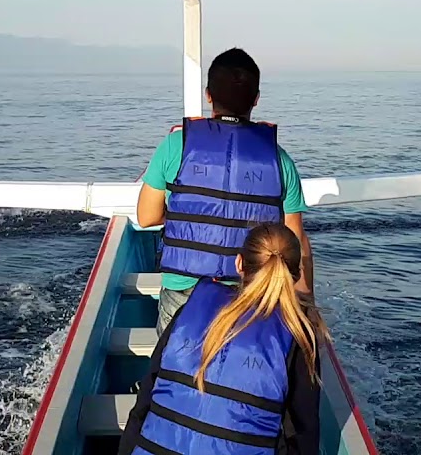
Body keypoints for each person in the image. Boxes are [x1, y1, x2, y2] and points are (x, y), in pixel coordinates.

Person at [136, 47, 313, 334]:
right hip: (252, 293)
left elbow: (146, 217)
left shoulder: (174, 147)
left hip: (183, 291)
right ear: (256, 99)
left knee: (173, 369)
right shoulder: (279, 160)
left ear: (208, 95)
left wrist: (191, 218)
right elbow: (295, 240)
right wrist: (305, 304)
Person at [118, 223, 323, 455]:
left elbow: (144, 402)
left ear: (239, 264)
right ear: (295, 276)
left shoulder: (189, 310)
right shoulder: (297, 334)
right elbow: (303, 434)